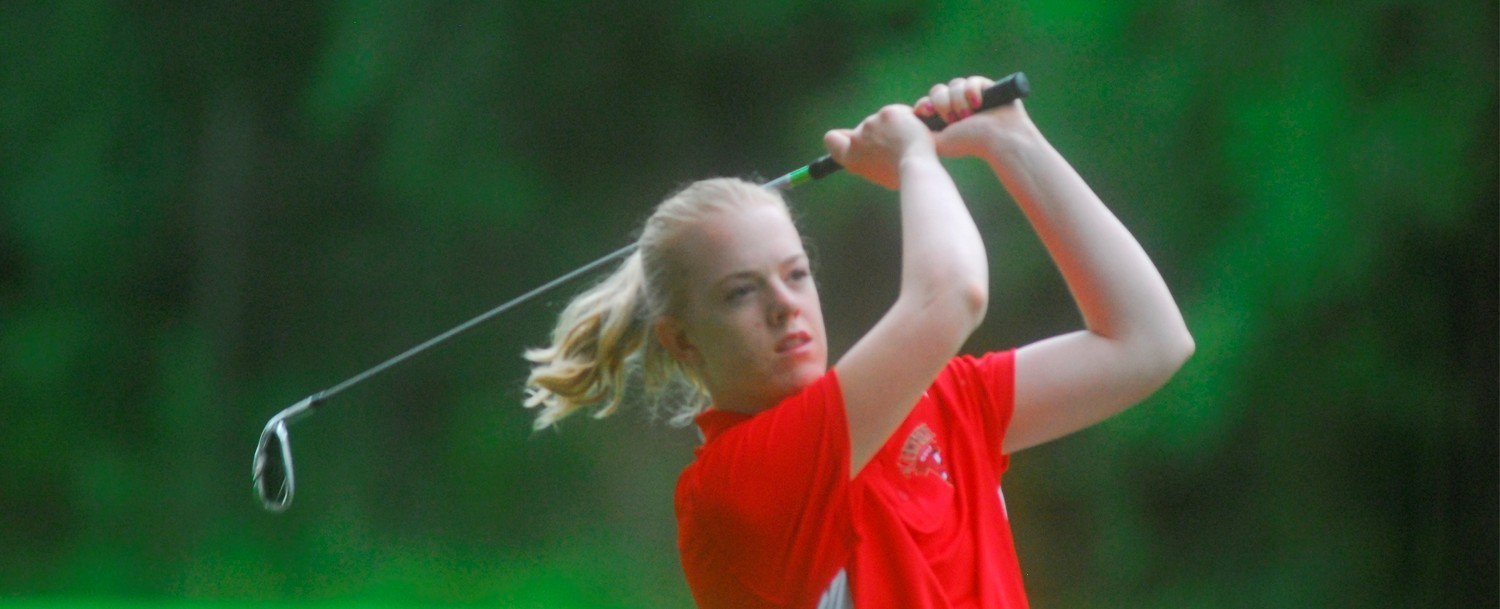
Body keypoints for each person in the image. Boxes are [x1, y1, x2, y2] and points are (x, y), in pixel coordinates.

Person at [522, 75, 1194, 608]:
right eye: (741, 292)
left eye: (795, 273)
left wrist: (1012, 143)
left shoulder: (939, 400)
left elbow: (1148, 341)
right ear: (684, 342)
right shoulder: (733, 487)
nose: (784, 306)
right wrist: (913, 157)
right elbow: (953, 293)